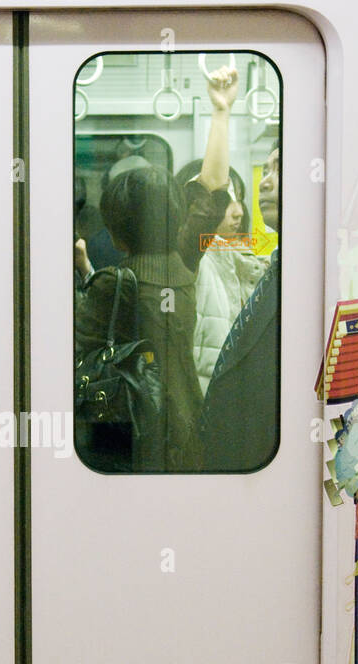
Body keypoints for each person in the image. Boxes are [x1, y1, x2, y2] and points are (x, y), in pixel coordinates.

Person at [74, 67, 241, 472]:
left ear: (114, 235)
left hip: (126, 434)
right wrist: (221, 112)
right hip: (187, 422)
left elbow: (80, 351)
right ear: (176, 216)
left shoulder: (110, 283)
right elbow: (213, 187)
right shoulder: (183, 261)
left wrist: (84, 275)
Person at [199, 144, 281, 471]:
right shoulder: (198, 260)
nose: (265, 181)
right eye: (225, 200)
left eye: (279, 168)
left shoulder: (262, 267)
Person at [179, 162, 269, 395]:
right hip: (208, 395)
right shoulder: (193, 260)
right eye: (226, 202)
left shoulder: (250, 262)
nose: (238, 211)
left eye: (239, 200)